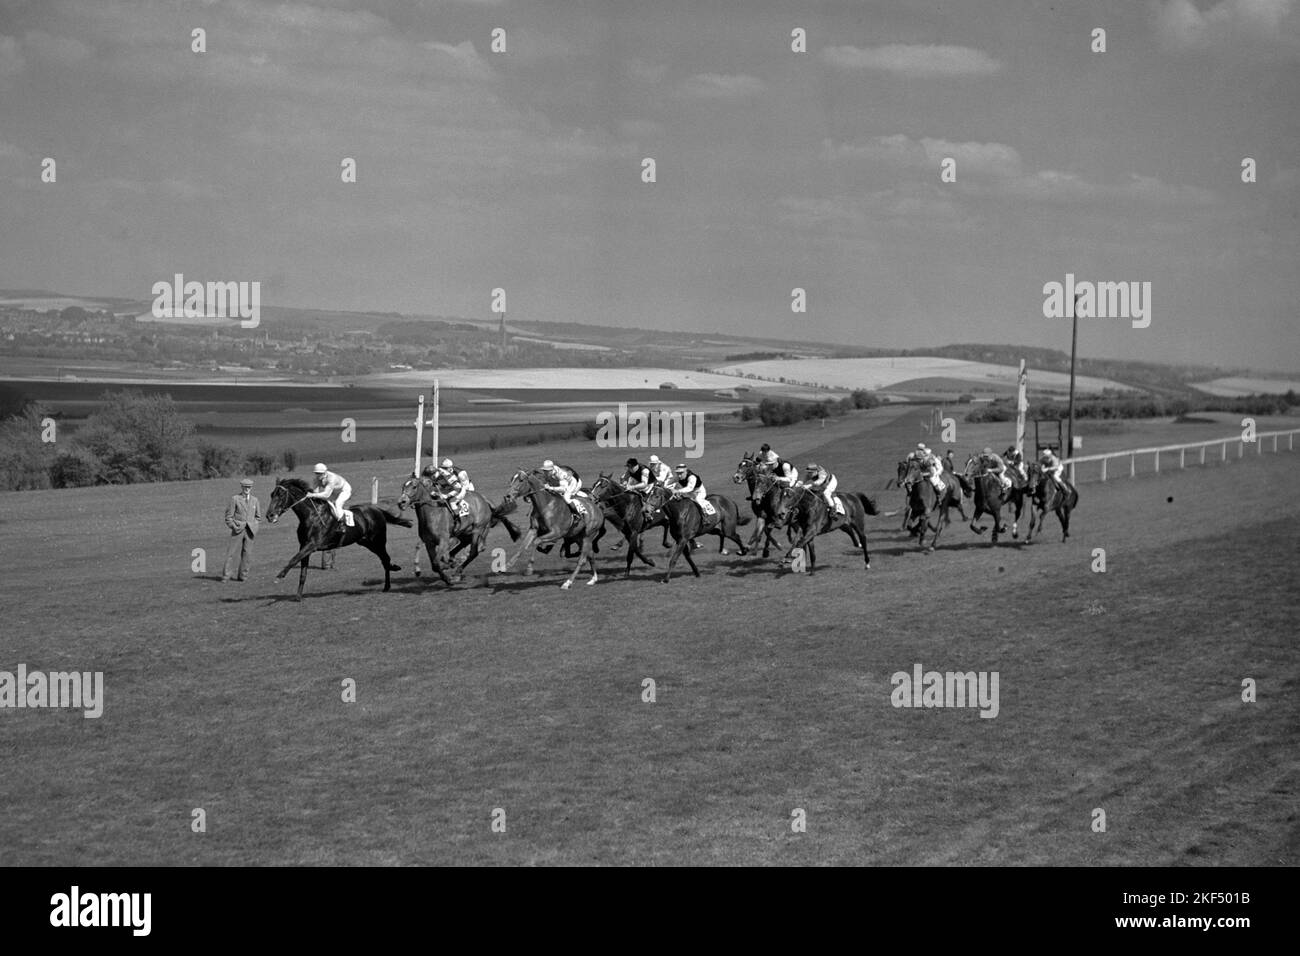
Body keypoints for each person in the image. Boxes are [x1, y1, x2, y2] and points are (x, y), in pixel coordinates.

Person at [222, 478, 260, 581]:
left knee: (247, 554)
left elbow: (258, 517)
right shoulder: (235, 499)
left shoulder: (255, 500)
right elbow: (228, 516)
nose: (247, 489)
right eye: (245, 487)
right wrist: (234, 526)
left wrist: (254, 526)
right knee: (231, 553)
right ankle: (226, 576)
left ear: (251, 488)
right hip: (238, 530)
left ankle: (243, 576)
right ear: (242, 487)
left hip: (250, 531)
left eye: (249, 487)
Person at [306, 462, 352, 529]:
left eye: (319, 473)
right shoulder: (316, 479)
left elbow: (326, 495)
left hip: (344, 490)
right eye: (316, 473)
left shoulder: (332, 478)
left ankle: (342, 523)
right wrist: (310, 495)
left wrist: (313, 495)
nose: (317, 475)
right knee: (326, 503)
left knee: (337, 503)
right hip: (334, 492)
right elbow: (315, 492)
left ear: (324, 472)